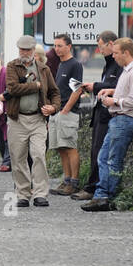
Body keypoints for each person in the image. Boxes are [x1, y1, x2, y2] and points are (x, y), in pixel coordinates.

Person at [80, 37, 133, 212]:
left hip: (125, 119)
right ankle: (101, 194)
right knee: (103, 157)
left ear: (126, 52)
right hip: (118, 120)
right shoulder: (127, 71)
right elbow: (127, 92)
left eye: (116, 53)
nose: (114, 56)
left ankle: (105, 196)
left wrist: (113, 101)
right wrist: (112, 91)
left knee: (112, 159)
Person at [6, 35, 61, 207]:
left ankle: (40, 194)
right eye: (21, 49)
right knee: (18, 157)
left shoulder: (43, 69)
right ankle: (22, 193)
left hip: (37, 118)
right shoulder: (12, 66)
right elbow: (13, 88)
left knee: (38, 155)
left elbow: (55, 92)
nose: (24, 53)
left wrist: (53, 107)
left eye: (27, 50)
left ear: (33, 51)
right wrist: (35, 87)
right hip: (17, 118)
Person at [72, 31, 121, 202]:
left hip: (108, 115)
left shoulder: (118, 64)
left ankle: (94, 188)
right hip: (100, 114)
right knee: (96, 152)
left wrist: (96, 85)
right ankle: (93, 187)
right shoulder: (109, 64)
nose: (99, 50)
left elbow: (116, 86)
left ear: (111, 44)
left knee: (101, 153)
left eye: (101, 46)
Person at [48, 33, 85, 196]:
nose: (57, 49)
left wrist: (65, 110)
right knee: (61, 148)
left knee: (70, 146)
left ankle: (74, 182)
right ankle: (67, 180)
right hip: (57, 111)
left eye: (60, 46)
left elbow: (77, 89)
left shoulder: (74, 65)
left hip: (67, 112)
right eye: (55, 46)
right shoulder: (61, 64)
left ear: (69, 46)